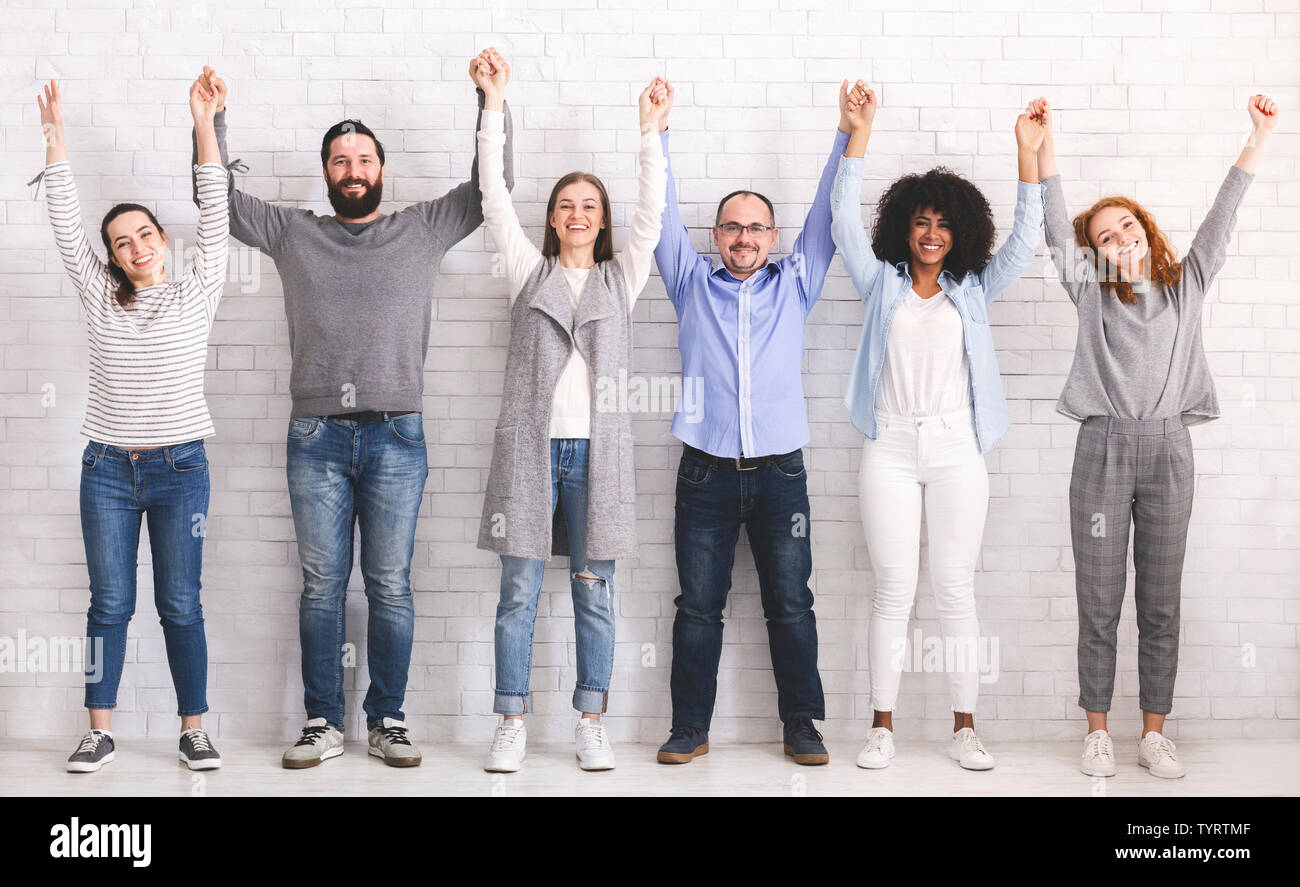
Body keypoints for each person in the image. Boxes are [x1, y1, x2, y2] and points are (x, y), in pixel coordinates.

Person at [189, 55, 515, 769]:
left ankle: (389, 718)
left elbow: (496, 189)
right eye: (340, 159)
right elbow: (216, 201)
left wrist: (490, 101)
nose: (353, 166)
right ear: (328, 174)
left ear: (381, 170)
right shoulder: (290, 231)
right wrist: (210, 121)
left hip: (399, 432)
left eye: (364, 156)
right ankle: (321, 720)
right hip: (315, 436)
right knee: (322, 583)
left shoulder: (425, 226)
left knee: (391, 583)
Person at [1034, 93, 1278, 779]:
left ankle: (1154, 733)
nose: (1120, 239)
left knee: (1161, 598)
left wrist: (1257, 137)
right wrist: (1045, 146)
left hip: (1170, 450)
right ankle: (1098, 732)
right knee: (1099, 596)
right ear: (1096, 253)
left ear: (1146, 230)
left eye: (1128, 227)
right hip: (1103, 450)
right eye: (1105, 235)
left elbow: (1222, 220)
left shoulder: (1188, 283)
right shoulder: (1090, 294)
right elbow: (1057, 230)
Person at [831, 81, 1046, 771]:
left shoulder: (972, 290)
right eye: (921, 223)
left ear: (959, 232)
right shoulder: (882, 284)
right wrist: (857, 130)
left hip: (956, 447)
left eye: (943, 225)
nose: (931, 235)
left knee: (954, 586)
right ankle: (881, 727)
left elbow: (1026, 242)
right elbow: (840, 218)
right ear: (904, 227)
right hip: (890, 444)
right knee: (893, 587)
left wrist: (1028, 155)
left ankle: (964, 727)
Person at [652, 80, 858, 766]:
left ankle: (801, 725)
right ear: (716, 236)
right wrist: (656, 132)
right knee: (697, 607)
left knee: (791, 604)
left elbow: (831, 214)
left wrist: (846, 133)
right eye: (733, 227)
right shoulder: (689, 281)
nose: (744, 237)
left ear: (774, 236)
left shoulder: (797, 281)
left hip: (781, 473)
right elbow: (658, 209)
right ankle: (689, 728)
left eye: (757, 227)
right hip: (704, 472)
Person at [474, 53, 669, 773]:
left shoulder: (624, 279)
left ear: (601, 219)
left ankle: (591, 718)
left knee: (595, 594)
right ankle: (511, 720)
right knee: (517, 592)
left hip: (599, 457)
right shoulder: (529, 272)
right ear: (552, 219)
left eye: (590, 206)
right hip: (532, 452)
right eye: (566, 205)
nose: (578, 215)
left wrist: (650, 132)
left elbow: (653, 217)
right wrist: (493, 104)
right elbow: (493, 196)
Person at [37, 76, 229, 773]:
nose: (136, 246)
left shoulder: (198, 289)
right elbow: (64, 222)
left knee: (181, 603)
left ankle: (194, 729)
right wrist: (55, 140)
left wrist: (204, 119)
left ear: (161, 239)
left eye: (144, 233)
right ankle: (99, 730)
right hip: (108, 471)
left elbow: (217, 211)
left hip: (181, 470)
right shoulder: (99, 297)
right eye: (121, 242)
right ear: (112, 256)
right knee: (110, 602)